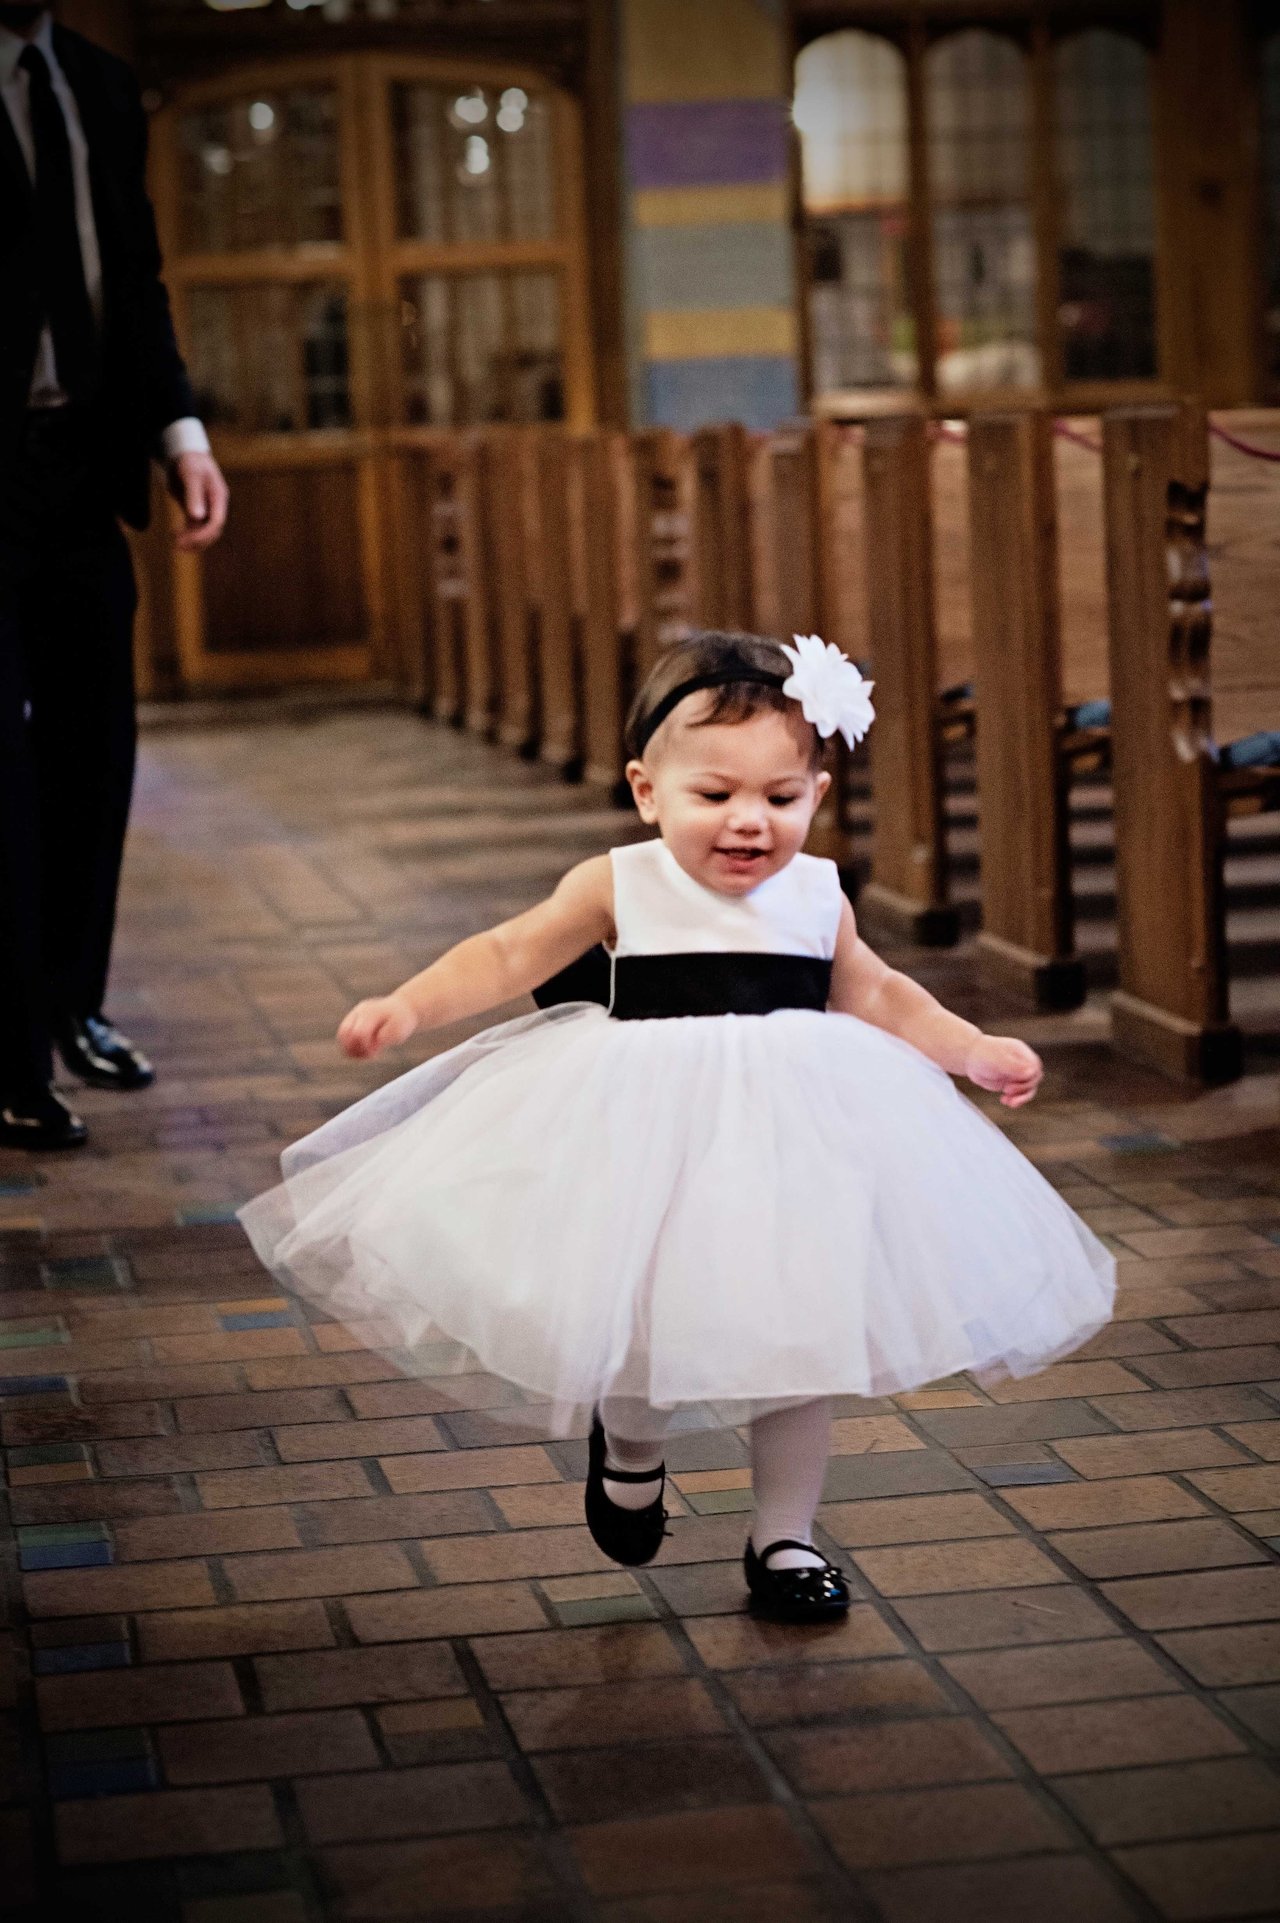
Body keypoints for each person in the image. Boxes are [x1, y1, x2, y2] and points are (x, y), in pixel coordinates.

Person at [239, 631, 1114, 1623]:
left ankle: (784, 1539)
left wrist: (966, 1048)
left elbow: (876, 991)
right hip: (645, 1134)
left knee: (802, 1335)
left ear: (815, 796)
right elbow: (504, 952)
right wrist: (408, 1005)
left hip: (794, 1142)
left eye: (779, 799)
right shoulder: (619, 883)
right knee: (643, 1313)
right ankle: (630, 1448)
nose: (748, 823)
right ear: (646, 790)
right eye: (714, 796)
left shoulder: (814, 891)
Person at [1, 0, 229, 1151]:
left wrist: (179, 433)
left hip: (83, 471)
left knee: (94, 754)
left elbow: (131, 279)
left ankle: (72, 1005)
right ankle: (9, 1059)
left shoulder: (91, 79)